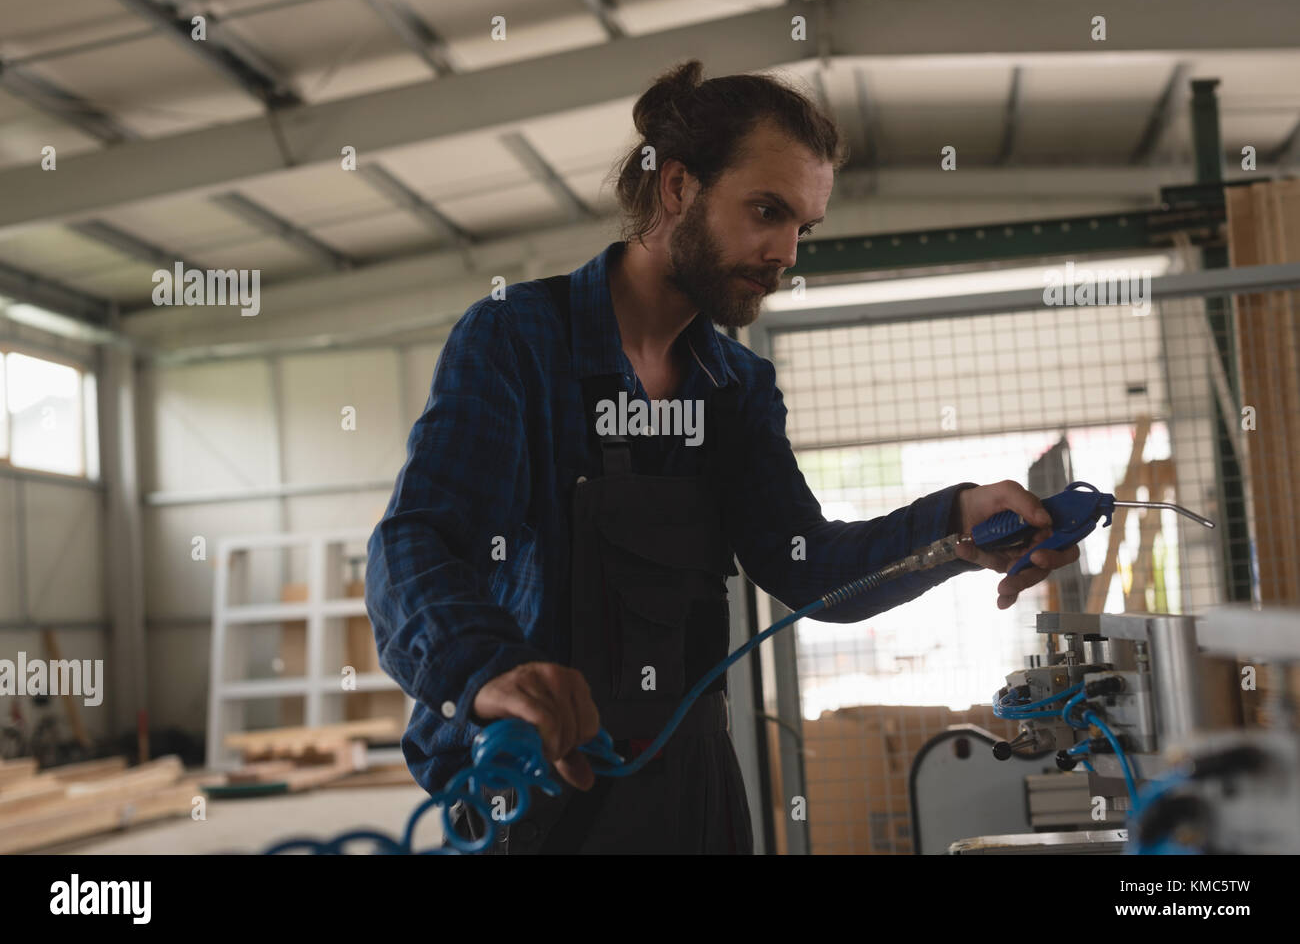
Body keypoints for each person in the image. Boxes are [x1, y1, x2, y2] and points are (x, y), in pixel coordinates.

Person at [364, 60, 1080, 854]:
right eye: (767, 211)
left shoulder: (736, 388)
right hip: (536, 782)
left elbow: (811, 568)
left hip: (689, 784)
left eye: (802, 227)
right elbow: (416, 542)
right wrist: (484, 671)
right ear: (677, 188)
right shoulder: (516, 341)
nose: (786, 253)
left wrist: (955, 524)